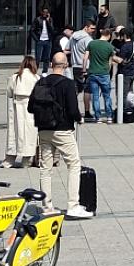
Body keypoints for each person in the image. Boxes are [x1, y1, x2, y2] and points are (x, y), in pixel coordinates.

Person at [29, 51, 92, 219]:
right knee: (74, 164)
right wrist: (79, 118)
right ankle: (73, 205)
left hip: (43, 129)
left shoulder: (41, 82)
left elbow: (30, 107)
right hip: (62, 129)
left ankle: (47, 206)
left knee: (45, 169)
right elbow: (72, 109)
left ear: (51, 64)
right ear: (66, 65)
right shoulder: (68, 84)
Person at [6, 55, 39, 168]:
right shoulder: (36, 78)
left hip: (17, 109)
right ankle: (27, 160)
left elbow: (9, 92)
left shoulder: (15, 77)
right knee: (30, 134)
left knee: (15, 132)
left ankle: (11, 158)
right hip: (32, 110)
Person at [85, 25, 116, 123]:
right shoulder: (110, 47)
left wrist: (84, 68)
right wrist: (108, 71)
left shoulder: (92, 43)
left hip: (93, 73)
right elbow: (110, 62)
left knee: (95, 96)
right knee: (107, 96)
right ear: (109, 35)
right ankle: (109, 116)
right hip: (104, 74)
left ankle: (97, 117)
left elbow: (85, 57)